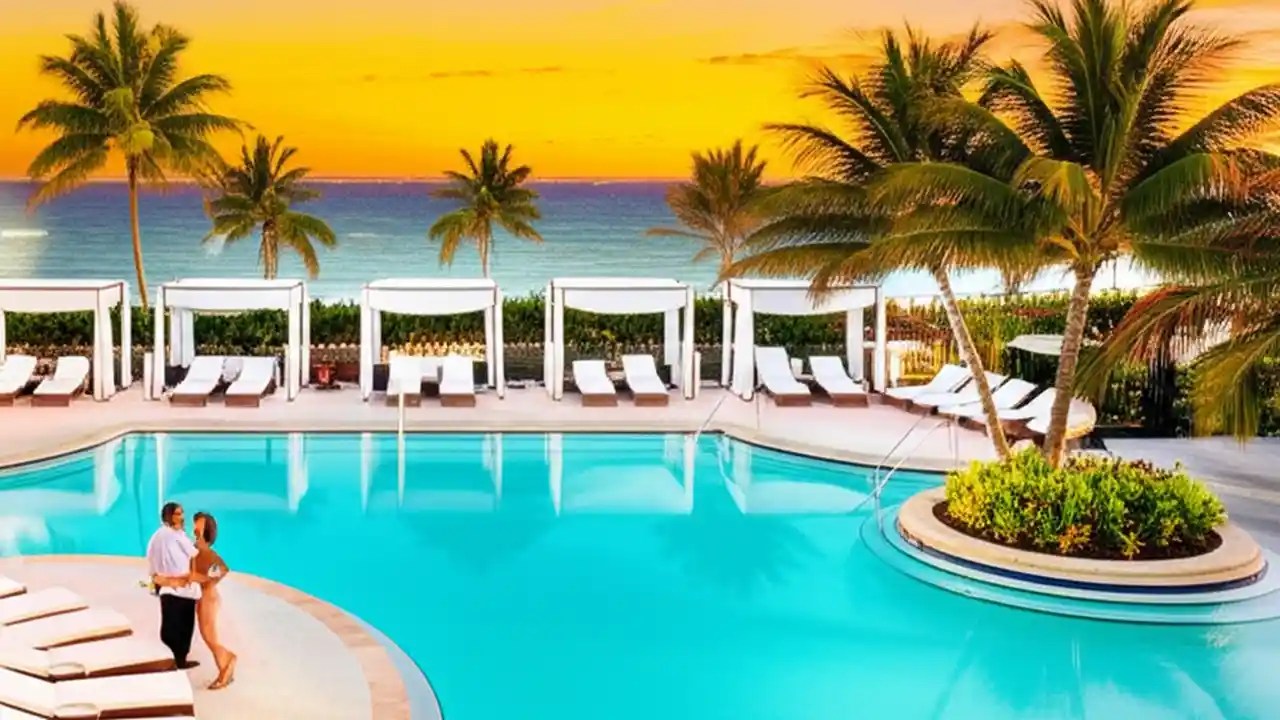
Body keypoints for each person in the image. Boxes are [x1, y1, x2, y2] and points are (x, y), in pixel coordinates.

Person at [145, 502, 200, 669]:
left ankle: (170, 660)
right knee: (184, 626)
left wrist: (154, 583)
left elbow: (150, 560)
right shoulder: (177, 535)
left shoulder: (156, 536)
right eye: (178, 514)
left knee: (169, 625)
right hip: (181, 587)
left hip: (165, 587)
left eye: (182, 513)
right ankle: (180, 661)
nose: (182, 517)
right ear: (169, 516)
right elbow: (194, 554)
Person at [193, 512, 237, 689]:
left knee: (209, 636)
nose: (195, 529)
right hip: (203, 596)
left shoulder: (208, 554)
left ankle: (227, 663)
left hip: (208, 597)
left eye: (198, 526)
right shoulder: (196, 550)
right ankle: (225, 665)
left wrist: (207, 580)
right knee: (207, 635)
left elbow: (222, 569)